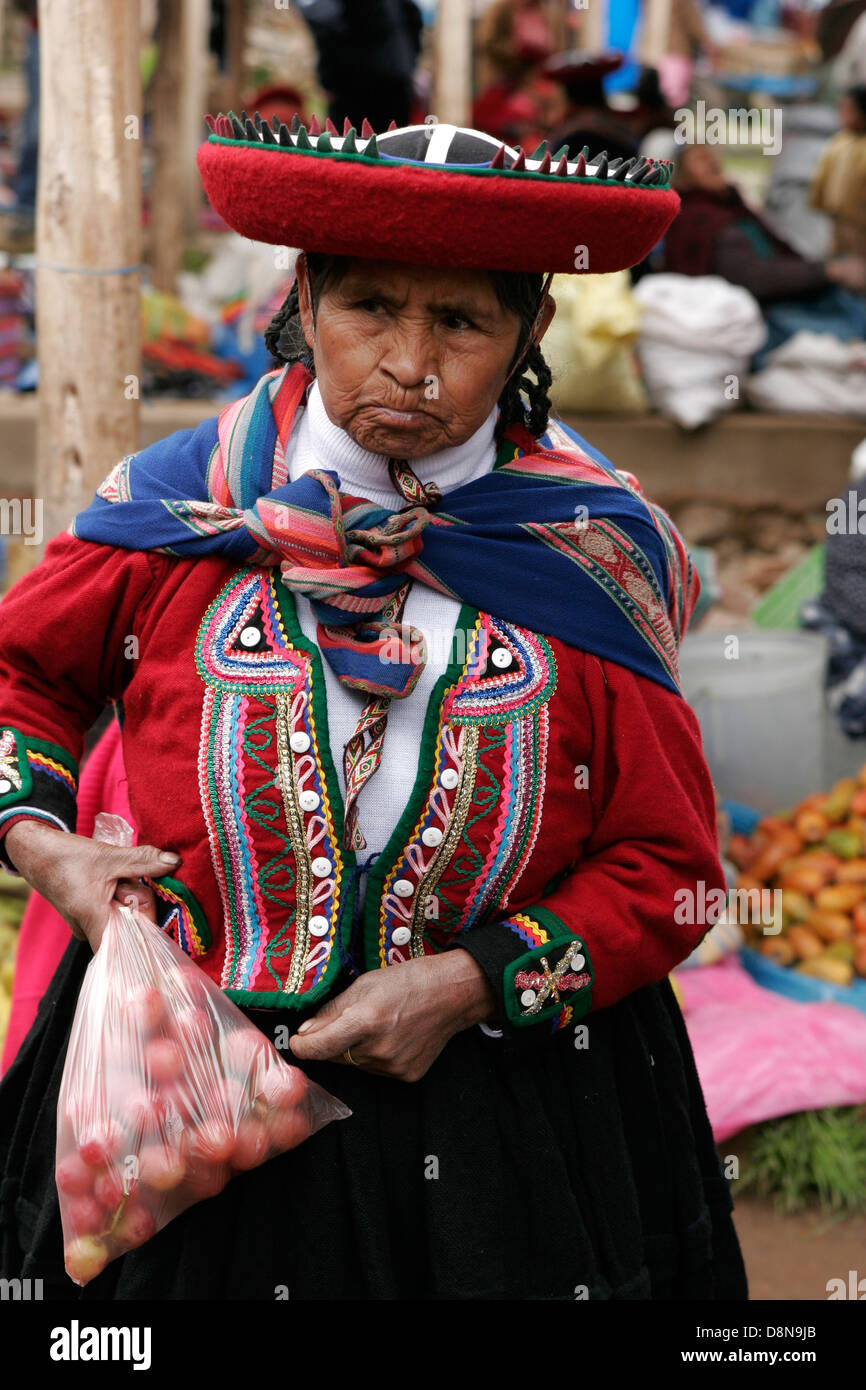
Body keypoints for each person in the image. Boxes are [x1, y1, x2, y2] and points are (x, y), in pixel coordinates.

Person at [0, 115, 747, 1301]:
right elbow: (20, 674)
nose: (410, 361)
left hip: (502, 1128)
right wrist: (46, 845)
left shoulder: (589, 560)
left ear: (531, 330)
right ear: (304, 296)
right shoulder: (180, 511)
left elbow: (666, 868)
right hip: (185, 1092)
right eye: (370, 310)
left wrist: (466, 984)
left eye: (460, 321)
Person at [809, 85, 866, 261]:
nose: (843, 114)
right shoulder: (839, 142)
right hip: (838, 219)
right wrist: (817, 199)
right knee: (836, 257)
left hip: (861, 223)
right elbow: (822, 174)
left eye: (849, 110)